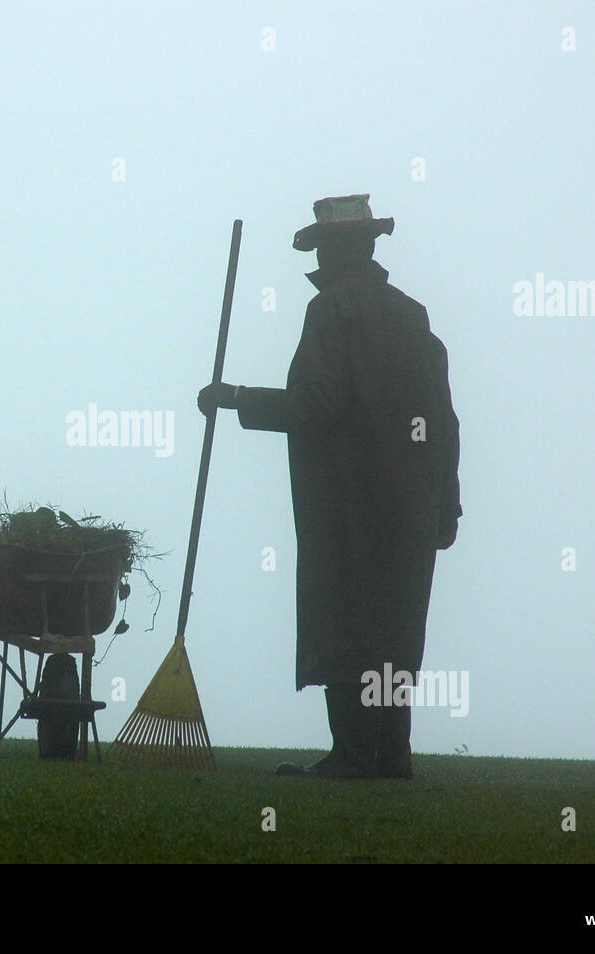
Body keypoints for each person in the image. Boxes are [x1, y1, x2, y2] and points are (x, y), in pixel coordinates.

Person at [198, 195, 461, 779]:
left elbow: (318, 405)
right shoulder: (412, 315)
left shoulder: (332, 312)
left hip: (348, 507)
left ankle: (351, 755)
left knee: (345, 625)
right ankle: (390, 756)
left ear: (331, 251)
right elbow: (444, 419)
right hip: (412, 510)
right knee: (394, 631)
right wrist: (448, 504)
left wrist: (239, 399)